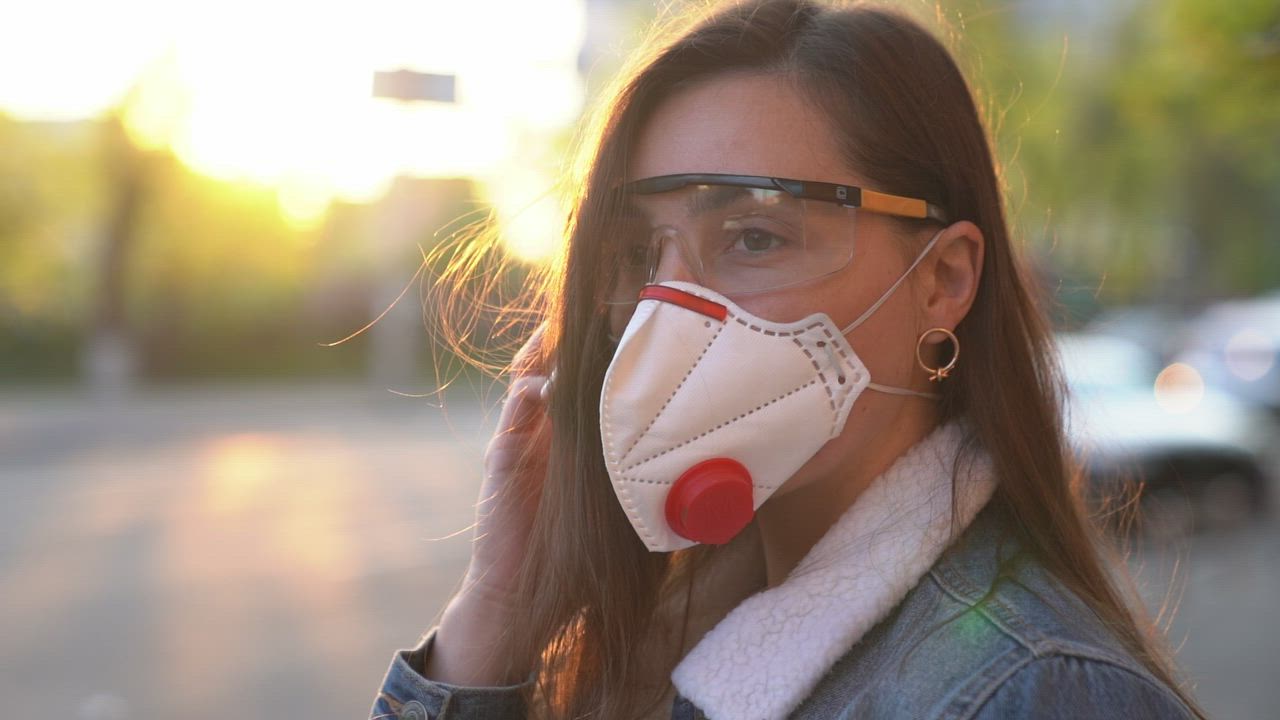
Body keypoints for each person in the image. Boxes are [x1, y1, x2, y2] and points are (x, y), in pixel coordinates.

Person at [370, 1, 1204, 718]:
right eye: (635, 255)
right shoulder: (678, 634)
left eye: (756, 236)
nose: (668, 310)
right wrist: (498, 614)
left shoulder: (1033, 692)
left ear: (943, 280)